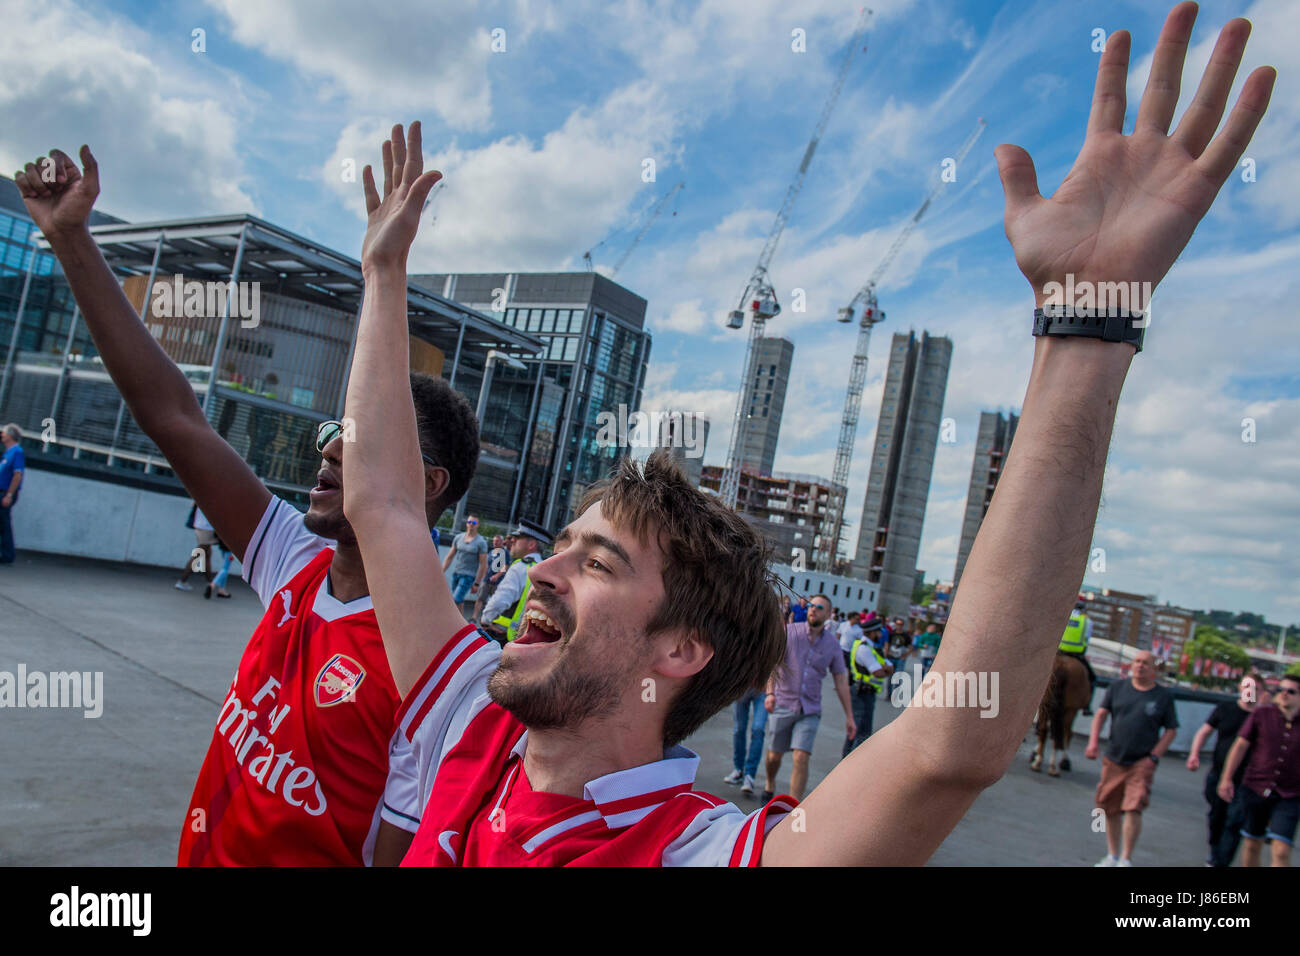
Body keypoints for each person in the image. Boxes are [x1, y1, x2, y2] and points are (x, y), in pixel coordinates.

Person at [340, 15, 1275, 864]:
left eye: (600, 563)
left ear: (682, 652)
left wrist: (1085, 326)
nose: (542, 572)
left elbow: (947, 746)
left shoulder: (699, 853)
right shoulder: (470, 721)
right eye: (563, 548)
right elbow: (382, 503)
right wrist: (384, 274)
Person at [13, 142, 482, 866]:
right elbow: (174, 417)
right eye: (332, 430)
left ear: (427, 483)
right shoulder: (294, 560)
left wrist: (384, 273)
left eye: (356, 440)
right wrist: (71, 237)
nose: (328, 449)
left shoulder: (435, 674)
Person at [1085, 650, 1179, 866]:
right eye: (1137, 661)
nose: (1140, 666)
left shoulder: (1163, 697)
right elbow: (1101, 714)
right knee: (1108, 807)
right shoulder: (1118, 688)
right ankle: (1112, 855)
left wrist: (1153, 757)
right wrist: (1093, 742)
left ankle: (1126, 858)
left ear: (1154, 669)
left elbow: (1171, 730)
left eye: (1146, 663)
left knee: (1133, 807)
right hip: (1114, 758)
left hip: (1141, 761)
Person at [762, 593, 855, 802]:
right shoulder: (790, 633)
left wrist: (849, 716)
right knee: (774, 755)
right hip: (783, 703)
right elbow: (773, 665)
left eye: (820, 607)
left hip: (810, 710)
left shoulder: (832, 646)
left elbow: (840, 680)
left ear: (829, 615)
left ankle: (794, 808)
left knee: (801, 756)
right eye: (811, 605)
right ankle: (769, 783)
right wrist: (770, 693)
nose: (813, 609)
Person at [1216, 672, 1300, 867]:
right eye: (1280, 690)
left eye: (1291, 691)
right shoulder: (1262, 714)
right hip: (1256, 788)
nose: (1284, 694)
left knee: (1281, 849)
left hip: (1290, 793)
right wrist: (1226, 778)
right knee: (1253, 843)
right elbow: (1240, 746)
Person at [1188, 673, 1259, 866]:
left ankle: (1221, 861)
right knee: (1216, 816)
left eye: (1254, 688)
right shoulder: (1225, 708)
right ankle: (1215, 851)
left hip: (1245, 779)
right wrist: (1194, 753)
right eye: (1246, 687)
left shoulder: (1260, 717)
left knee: (1235, 820)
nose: (1249, 691)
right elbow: (1204, 732)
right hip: (1218, 774)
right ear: (1240, 688)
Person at [478, 520, 550, 644]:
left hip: (503, 636)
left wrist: (486, 619)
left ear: (532, 544)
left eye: (518, 538)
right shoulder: (545, 569)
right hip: (529, 639)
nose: (512, 541)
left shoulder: (520, 567)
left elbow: (500, 600)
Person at [843, 628, 891, 757]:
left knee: (864, 729)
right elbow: (878, 672)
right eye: (878, 632)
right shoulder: (864, 648)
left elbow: (889, 666)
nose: (881, 635)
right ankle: (847, 759)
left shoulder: (872, 648)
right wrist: (885, 670)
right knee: (858, 728)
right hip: (861, 691)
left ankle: (853, 758)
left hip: (867, 692)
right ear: (872, 632)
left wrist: (886, 669)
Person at [724, 687, 767, 796]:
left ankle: (750, 775)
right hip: (743, 687)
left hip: (763, 689)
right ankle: (738, 770)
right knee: (739, 729)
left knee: (758, 729)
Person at [442, 515, 488, 613]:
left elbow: (483, 565)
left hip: (468, 576)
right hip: (456, 573)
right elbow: (450, 557)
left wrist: (477, 583)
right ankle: (463, 624)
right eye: (469, 522)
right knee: (459, 601)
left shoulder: (481, 542)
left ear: (478, 525)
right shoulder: (458, 538)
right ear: (466, 523)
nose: (471, 524)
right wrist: (441, 571)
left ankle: (447, 623)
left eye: (474, 523)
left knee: (454, 600)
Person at [1059, 598, 1098, 713]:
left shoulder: (1063, 616)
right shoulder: (1087, 621)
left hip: (1059, 652)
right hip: (1076, 655)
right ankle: (1087, 706)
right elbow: (1087, 639)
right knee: (1092, 679)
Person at [175, 504, 217, 593]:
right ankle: (182, 581)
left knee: (207, 554)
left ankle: (210, 583)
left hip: (200, 525)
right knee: (199, 554)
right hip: (206, 527)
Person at [0, 424, 26, 564]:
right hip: (2, 491)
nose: (2, 435)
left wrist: (9, 495)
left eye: (4, 433)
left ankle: (8, 555)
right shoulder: (8, 452)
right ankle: (6, 554)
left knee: (4, 524)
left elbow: (17, 475)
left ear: (10, 436)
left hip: (5, 493)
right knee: (3, 524)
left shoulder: (17, 452)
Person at [472, 534, 508, 622]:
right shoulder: (491, 552)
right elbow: (486, 565)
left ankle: (491, 620)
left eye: (497, 541)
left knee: (495, 602)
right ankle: (474, 617)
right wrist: (482, 578)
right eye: (494, 541)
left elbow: (506, 567)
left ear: (502, 542)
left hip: (498, 582)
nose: (495, 543)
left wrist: (496, 576)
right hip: (487, 580)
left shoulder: (505, 553)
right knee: (480, 599)